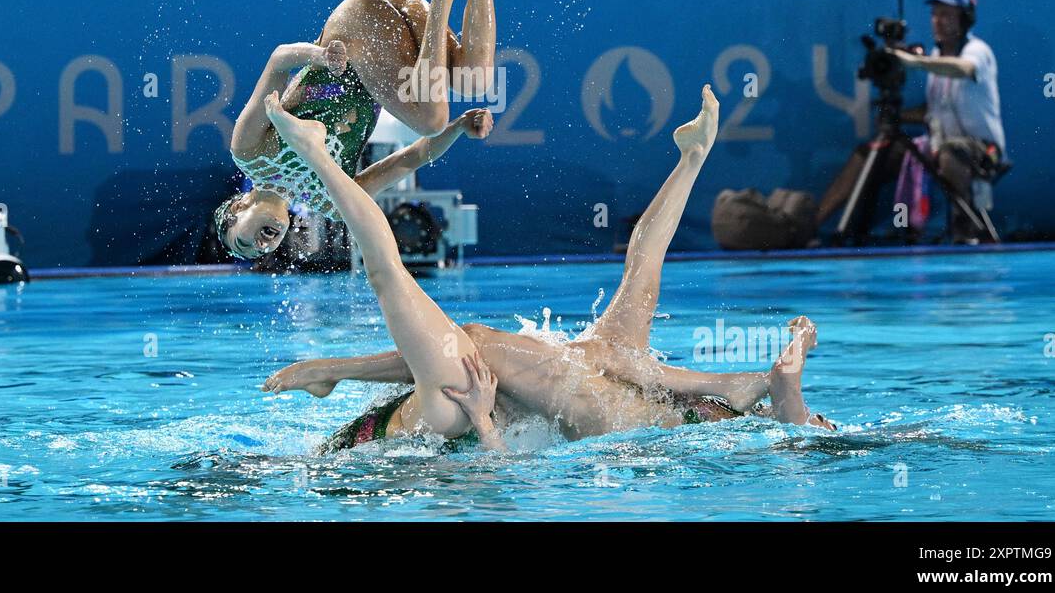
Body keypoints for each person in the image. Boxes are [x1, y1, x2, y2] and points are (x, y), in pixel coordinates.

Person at [263, 84, 835, 452]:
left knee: (484, 338)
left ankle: (693, 160)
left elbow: (792, 416)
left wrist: (785, 373)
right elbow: (794, 419)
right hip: (621, 411)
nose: (819, 423)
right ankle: (692, 158)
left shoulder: (425, 427)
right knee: (634, 288)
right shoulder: (758, 427)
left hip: (610, 415)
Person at [217, 0, 498, 260]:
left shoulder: (248, 151)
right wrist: (460, 129)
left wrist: (319, 56)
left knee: (430, 116)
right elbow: (408, 158)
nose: (262, 244)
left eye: (244, 241)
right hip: (387, 52)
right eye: (260, 252)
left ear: (238, 209)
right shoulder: (331, 200)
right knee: (475, 77)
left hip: (354, 28)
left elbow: (280, 59)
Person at [817, 0, 1006, 244]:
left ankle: (965, 235)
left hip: (984, 150)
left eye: (947, 15)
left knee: (952, 153)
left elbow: (964, 69)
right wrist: (896, 116)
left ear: (964, 20)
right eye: (935, 15)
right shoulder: (936, 56)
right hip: (937, 144)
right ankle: (813, 226)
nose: (938, 21)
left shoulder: (977, 50)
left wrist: (915, 62)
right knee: (867, 154)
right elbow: (933, 110)